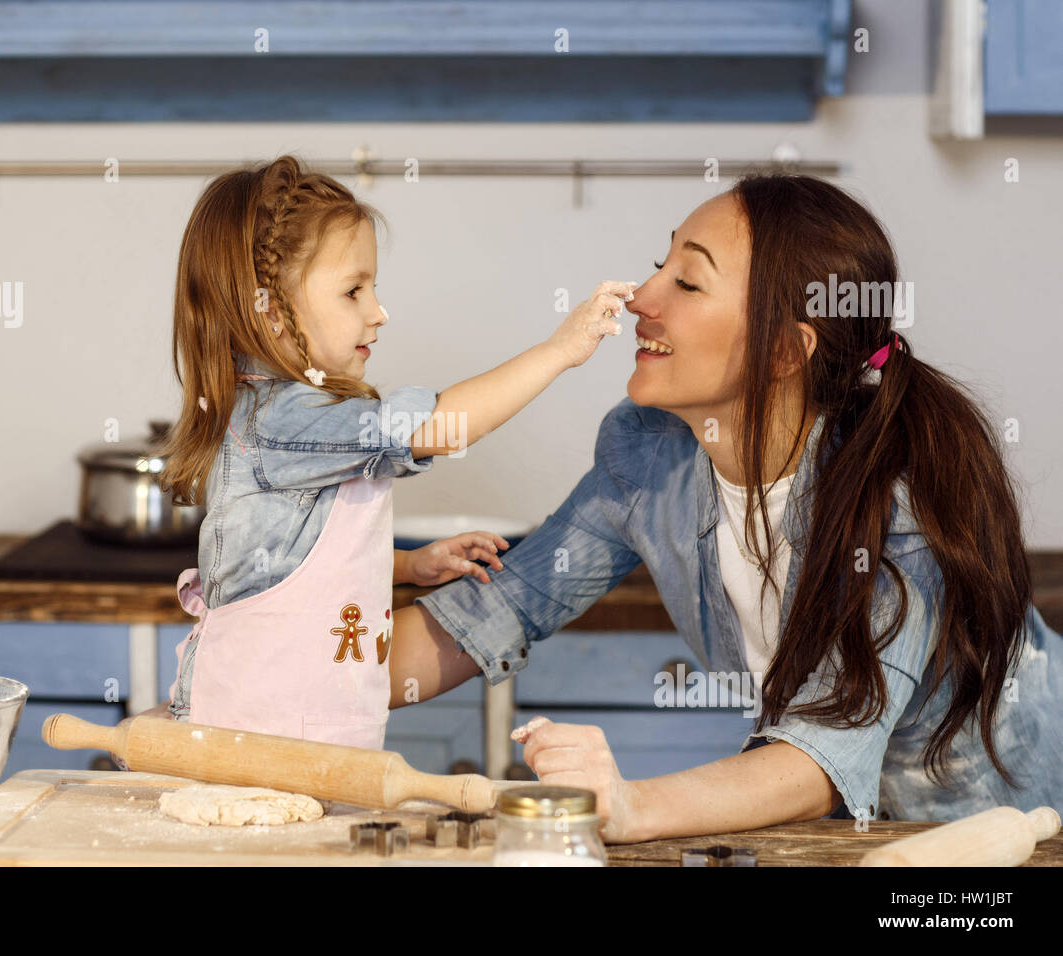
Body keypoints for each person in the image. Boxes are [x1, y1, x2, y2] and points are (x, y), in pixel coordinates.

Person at [391, 172, 1063, 841]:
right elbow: (499, 608)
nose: (641, 298)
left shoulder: (897, 508)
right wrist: (312, 672)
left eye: (686, 283)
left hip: (1013, 832)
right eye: (662, 265)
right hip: (854, 843)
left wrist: (627, 806)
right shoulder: (650, 454)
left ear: (782, 351)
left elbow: (818, 760)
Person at [153, 154, 634, 750]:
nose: (379, 312)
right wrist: (559, 350)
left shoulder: (300, 421)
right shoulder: (280, 420)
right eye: (354, 290)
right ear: (269, 311)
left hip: (302, 735)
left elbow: (296, 567)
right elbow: (441, 425)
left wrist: (408, 567)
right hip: (252, 739)